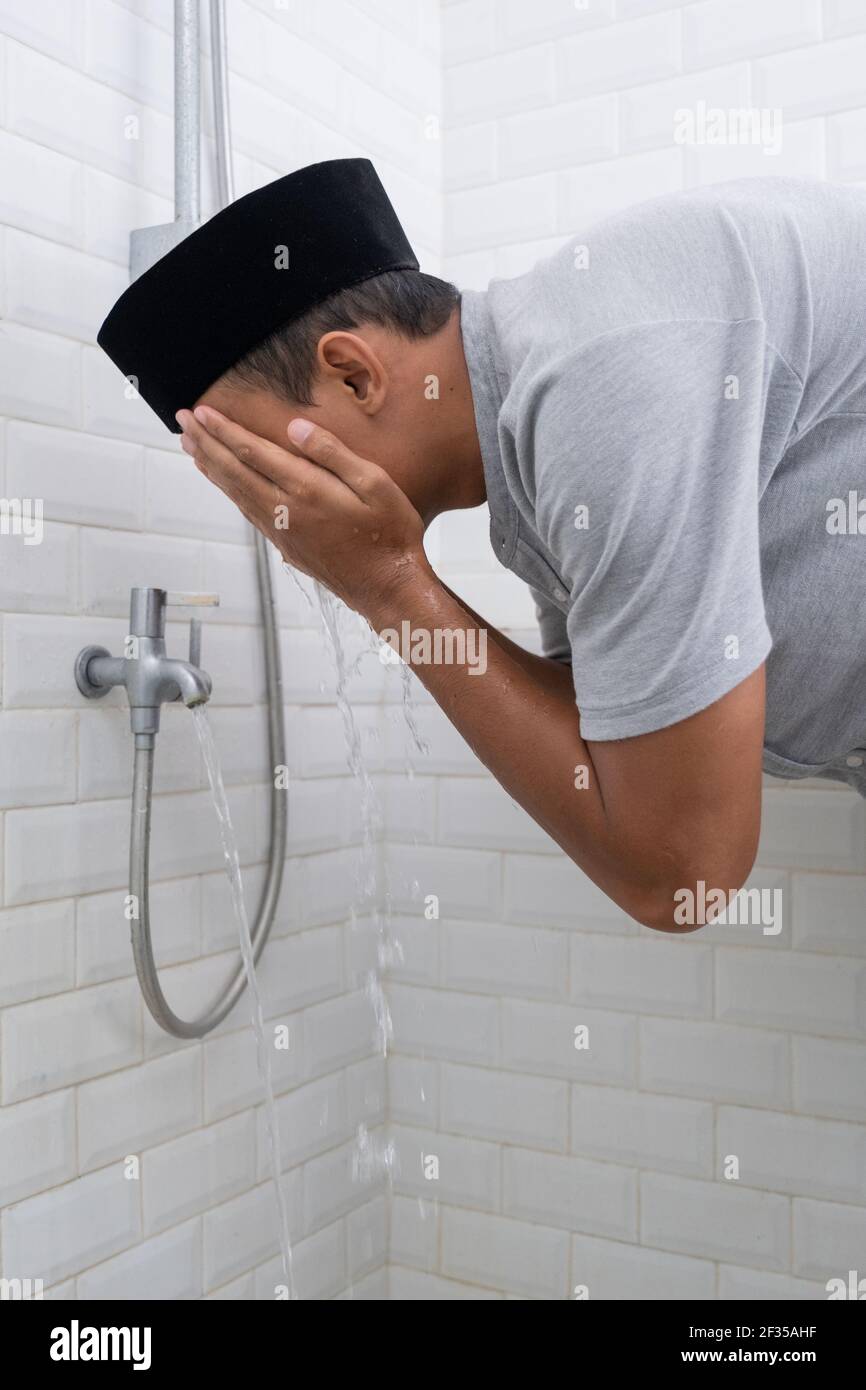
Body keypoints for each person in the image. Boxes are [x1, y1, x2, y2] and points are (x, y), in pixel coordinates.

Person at [99, 160, 866, 932]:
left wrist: (392, 588)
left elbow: (682, 871)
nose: (272, 512)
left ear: (353, 376)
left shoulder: (596, 383)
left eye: (254, 465)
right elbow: (606, 752)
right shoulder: (535, 420)